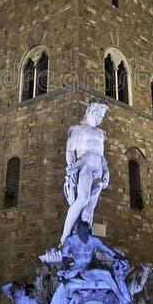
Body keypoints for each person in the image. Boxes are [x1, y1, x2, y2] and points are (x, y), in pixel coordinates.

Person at [53, 219, 139, 304]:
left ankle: (123, 302)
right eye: (82, 232)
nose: (85, 235)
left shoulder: (94, 240)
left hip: (90, 268)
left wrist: (122, 258)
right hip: (82, 271)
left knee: (109, 273)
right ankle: (123, 299)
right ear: (78, 230)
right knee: (106, 273)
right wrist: (68, 264)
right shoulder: (70, 240)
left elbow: (109, 251)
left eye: (86, 232)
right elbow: (64, 255)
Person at [59, 100, 110, 246]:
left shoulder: (100, 134)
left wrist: (106, 171)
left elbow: (102, 156)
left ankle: (84, 239)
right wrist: (72, 168)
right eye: (101, 114)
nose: (102, 118)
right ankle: (64, 237)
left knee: (90, 207)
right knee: (82, 199)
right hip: (85, 165)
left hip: (98, 169)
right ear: (93, 111)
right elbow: (70, 151)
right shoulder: (77, 129)